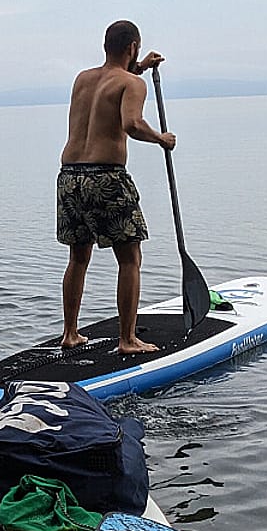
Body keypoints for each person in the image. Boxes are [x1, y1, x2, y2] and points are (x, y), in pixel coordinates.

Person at [57, 20, 174, 355]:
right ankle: (127, 339)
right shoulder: (132, 84)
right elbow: (132, 123)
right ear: (133, 46)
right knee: (130, 258)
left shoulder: (83, 79)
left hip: (70, 176)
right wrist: (161, 139)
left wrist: (139, 67)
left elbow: (113, 82)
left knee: (78, 257)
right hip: (105, 178)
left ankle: (70, 333)